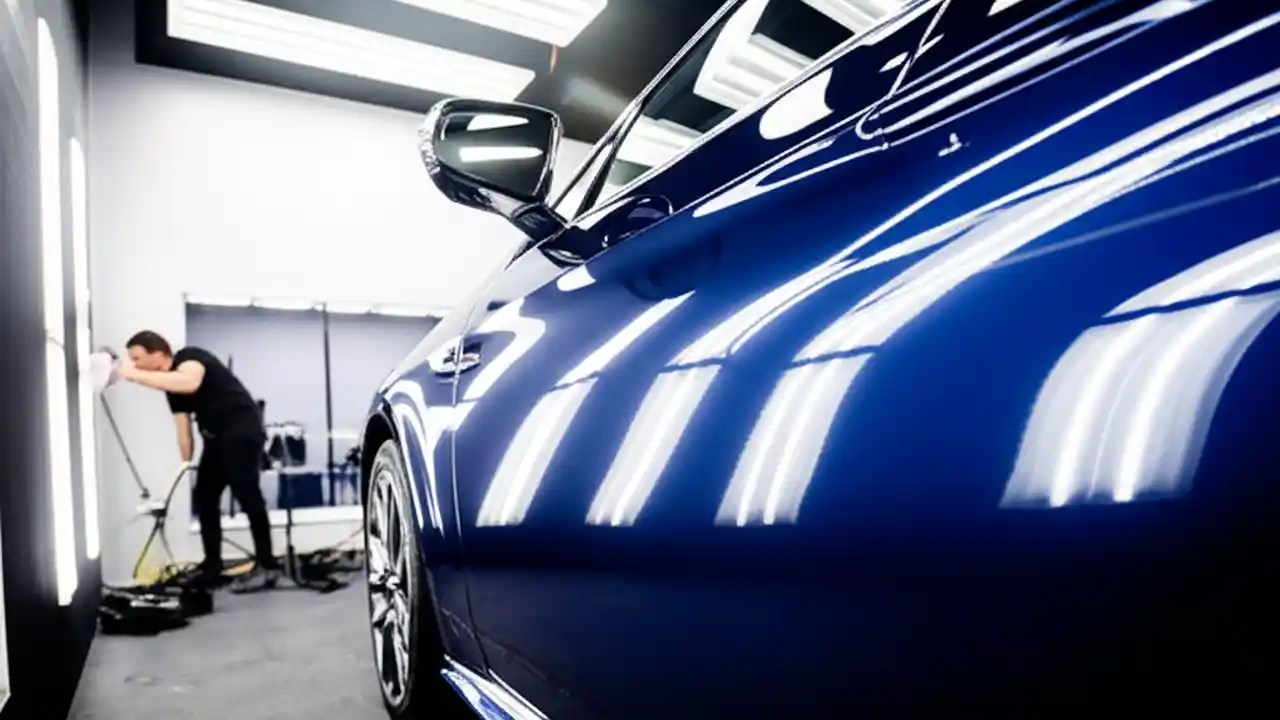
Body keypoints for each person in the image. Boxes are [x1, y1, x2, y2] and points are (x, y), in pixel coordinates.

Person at [119, 330, 281, 593]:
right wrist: (186, 463)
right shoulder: (171, 390)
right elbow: (183, 430)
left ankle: (268, 565)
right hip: (216, 440)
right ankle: (212, 566)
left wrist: (131, 375)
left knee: (247, 494)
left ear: (158, 354)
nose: (134, 363)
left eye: (136, 358)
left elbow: (190, 383)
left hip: (242, 432)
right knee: (205, 497)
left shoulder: (191, 358)